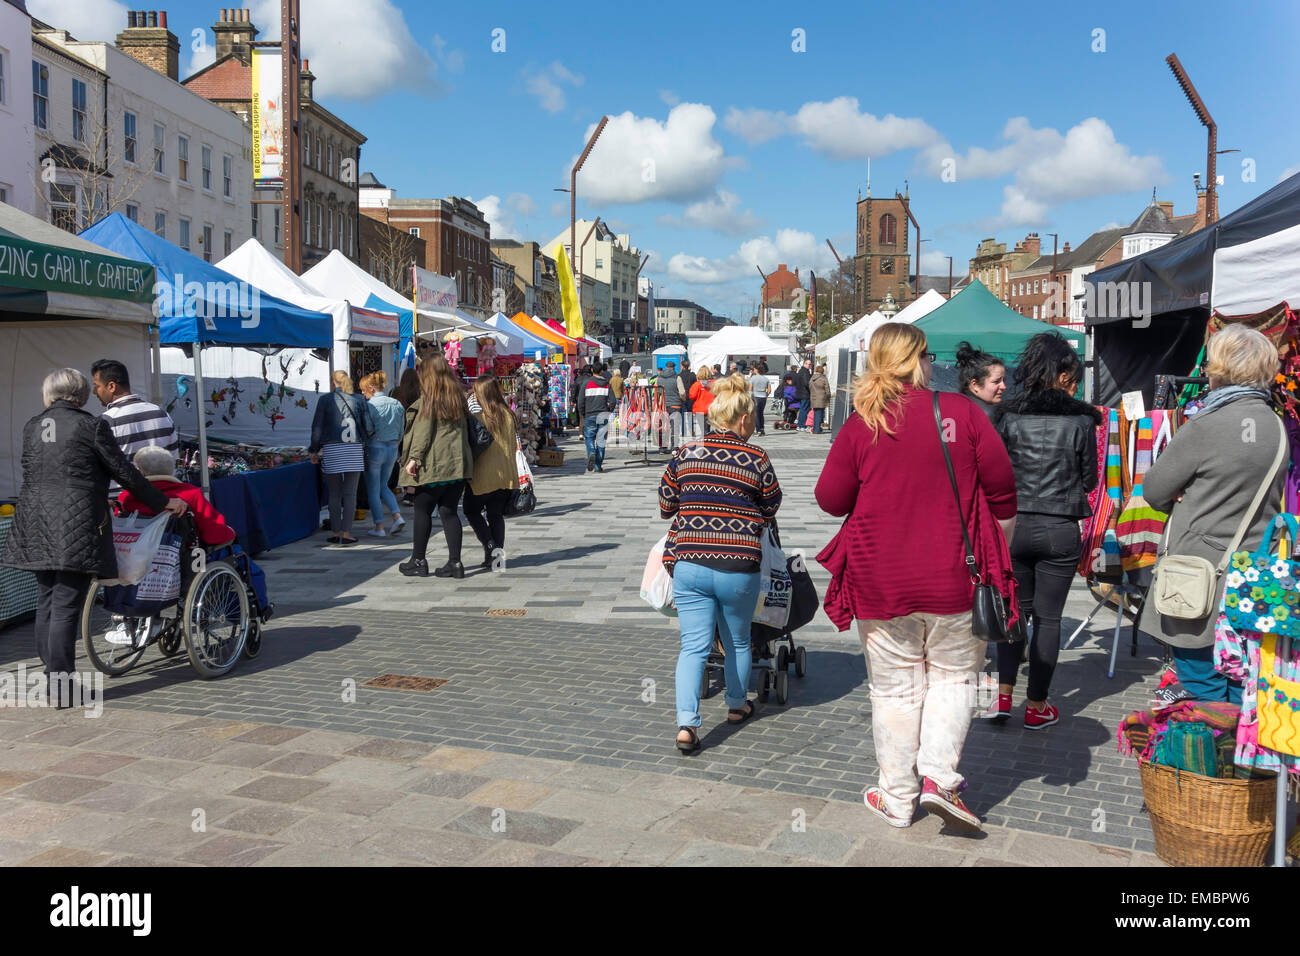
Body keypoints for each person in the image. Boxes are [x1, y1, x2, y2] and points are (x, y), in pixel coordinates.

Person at [814, 323, 1017, 831]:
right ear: (915, 361)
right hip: (956, 577)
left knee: (894, 691)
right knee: (954, 679)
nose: (934, 364)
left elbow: (830, 499)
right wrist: (999, 548)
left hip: (881, 578)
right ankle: (938, 779)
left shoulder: (864, 422)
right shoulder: (963, 413)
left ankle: (898, 797)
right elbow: (1003, 492)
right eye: (928, 356)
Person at [1, 369, 187, 706]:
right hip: (76, 520)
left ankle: (52, 677)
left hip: (35, 516)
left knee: (47, 598)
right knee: (65, 604)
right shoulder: (92, 425)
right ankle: (60, 685)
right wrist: (163, 500)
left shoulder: (32, 425)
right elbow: (124, 472)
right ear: (81, 394)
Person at [1140, 324, 1288, 702]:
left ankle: (1214, 755)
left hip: (1199, 570)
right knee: (1242, 678)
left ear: (1222, 367)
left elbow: (1155, 490)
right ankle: (1242, 756)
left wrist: (1182, 494)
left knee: (1201, 675)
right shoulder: (1276, 425)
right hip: (1253, 569)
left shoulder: (1206, 424)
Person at [660, 373, 783, 753]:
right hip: (737, 566)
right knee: (738, 641)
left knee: (693, 647)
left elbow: (666, 505)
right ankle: (736, 705)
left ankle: (686, 724)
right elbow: (771, 505)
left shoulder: (686, 452)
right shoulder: (756, 457)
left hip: (690, 564)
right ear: (743, 419)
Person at [984, 333, 1100, 727]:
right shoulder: (1083, 421)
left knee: (1013, 614)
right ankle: (1037, 707)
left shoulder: (1007, 416)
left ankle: (1002, 698)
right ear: (1064, 374)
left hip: (1013, 525)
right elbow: (1089, 481)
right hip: (1060, 526)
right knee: (1050, 619)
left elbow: (994, 475)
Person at [398, 354, 474, 579]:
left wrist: (413, 459)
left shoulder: (429, 400)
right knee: (449, 512)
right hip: (457, 467)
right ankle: (455, 563)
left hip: (434, 466)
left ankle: (418, 561)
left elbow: (422, 434)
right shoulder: (458, 399)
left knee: (422, 511)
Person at [117, 444, 235, 547]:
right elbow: (214, 534)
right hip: (181, 558)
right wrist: (230, 532)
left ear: (140, 471)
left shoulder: (126, 496)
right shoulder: (191, 493)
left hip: (134, 556)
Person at [309, 370, 374, 545]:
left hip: (332, 449)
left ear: (332, 382)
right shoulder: (359, 400)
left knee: (334, 494)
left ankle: (335, 531)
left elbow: (317, 427)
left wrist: (314, 450)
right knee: (350, 494)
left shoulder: (325, 400)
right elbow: (368, 426)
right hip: (353, 449)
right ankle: (346, 533)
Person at [464, 375, 520, 570]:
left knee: (471, 510)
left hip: (483, 474)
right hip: (505, 473)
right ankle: (496, 558)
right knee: (495, 515)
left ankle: (490, 544)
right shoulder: (508, 414)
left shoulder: (477, 418)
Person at [360, 372, 406, 538]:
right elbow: (402, 430)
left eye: (364, 390)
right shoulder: (396, 403)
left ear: (371, 388)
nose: (363, 394)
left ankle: (379, 526)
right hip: (392, 447)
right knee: (384, 486)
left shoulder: (369, 405)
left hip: (375, 447)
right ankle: (396, 516)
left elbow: (369, 428)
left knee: (373, 489)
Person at [956, 341, 1007, 419]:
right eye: (996, 381)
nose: (1004, 387)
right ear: (975, 385)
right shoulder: (986, 416)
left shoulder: (954, 407)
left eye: (1004, 380)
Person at [582, 362, 615, 473]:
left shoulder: (586, 383)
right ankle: (597, 466)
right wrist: (609, 411)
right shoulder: (606, 384)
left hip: (589, 414)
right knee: (601, 441)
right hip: (603, 415)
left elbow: (580, 400)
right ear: (602, 371)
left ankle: (591, 452)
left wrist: (583, 413)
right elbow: (613, 401)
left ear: (592, 370)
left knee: (589, 437)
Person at [660, 361, 684, 451]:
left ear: (666, 367)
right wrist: (682, 399)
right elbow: (682, 392)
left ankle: (663, 447)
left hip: (662, 405)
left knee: (663, 426)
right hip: (675, 406)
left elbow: (656, 391)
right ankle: (674, 447)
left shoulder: (659, 378)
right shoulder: (677, 377)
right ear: (674, 367)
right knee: (675, 427)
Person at [688, 366, 715, 437]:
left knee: (703, 429)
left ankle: (705, 443)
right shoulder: (714, 383)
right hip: (711, 409)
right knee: (709, 428)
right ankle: (708, 441)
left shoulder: (697, 384)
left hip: (699, 409)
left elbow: (692, 396)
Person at [748, 363, 770, 437]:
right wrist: (766, 395)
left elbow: (750, 389)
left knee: (756, 414)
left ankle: (758, 430)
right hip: (763, 397)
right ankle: (762, 428)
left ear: (756, 370)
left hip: (755, 397)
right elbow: (769, 390)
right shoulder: (766, 379)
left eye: (754, 369)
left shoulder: (753, 378)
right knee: (761, 413)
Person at [809, 364, 831, 434]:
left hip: (813, 398)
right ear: (822, 371)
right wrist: (828, 396)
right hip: (821, 398)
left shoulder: (812, 378)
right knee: (820, 414)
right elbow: (827, 389)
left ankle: (816, 428)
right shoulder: (823, 378)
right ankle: (817, 429)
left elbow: (809, 387)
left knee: (816, 414)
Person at [678, 364, 698, 437]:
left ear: (682, 366)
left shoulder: (679, 375)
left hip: (682, 397)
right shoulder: (692, 375)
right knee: (690, 415)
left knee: (682, 415)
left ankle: (683, 432)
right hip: (690, 396)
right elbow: (695, 385)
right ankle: (691, 430)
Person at [795, 358, 813, 431]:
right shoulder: (805, 372)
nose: (809, 365)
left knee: (802, 409)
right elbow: (806, 383)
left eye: (810, 364)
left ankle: (800, 425)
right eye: (808, 364)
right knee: (804, 409)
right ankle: (802, 425)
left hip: (800, 393)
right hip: (805, 394)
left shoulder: (801, 371)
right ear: (804, 364)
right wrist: (811, 388)